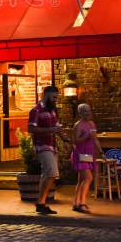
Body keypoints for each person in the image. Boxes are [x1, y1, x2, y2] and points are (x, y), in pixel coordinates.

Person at [27, 85, 69, 215]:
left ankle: (41, 203)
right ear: (46, 95)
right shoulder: (36, 110)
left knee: (50, 174)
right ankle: (40, 202)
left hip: (52, 146)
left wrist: (66, 140)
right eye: (54, 97)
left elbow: (58, 127)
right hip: (42, 146)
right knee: (50, 172)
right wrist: (49, 130)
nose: (56, 100)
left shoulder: (52, 111)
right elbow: (31, 129)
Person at [70, 103, 103, 213]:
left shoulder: (92, 124)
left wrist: (101, 152)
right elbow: (75, 141)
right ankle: (82, 203)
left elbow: (95, 139)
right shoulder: (78, 125)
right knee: (88, 178)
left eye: (89, 111)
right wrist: (86, 136)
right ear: (80, 113)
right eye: (86, 112)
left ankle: (76, 203)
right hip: (80, 154)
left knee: (81, 180)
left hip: (89, 154)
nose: (88, 113)